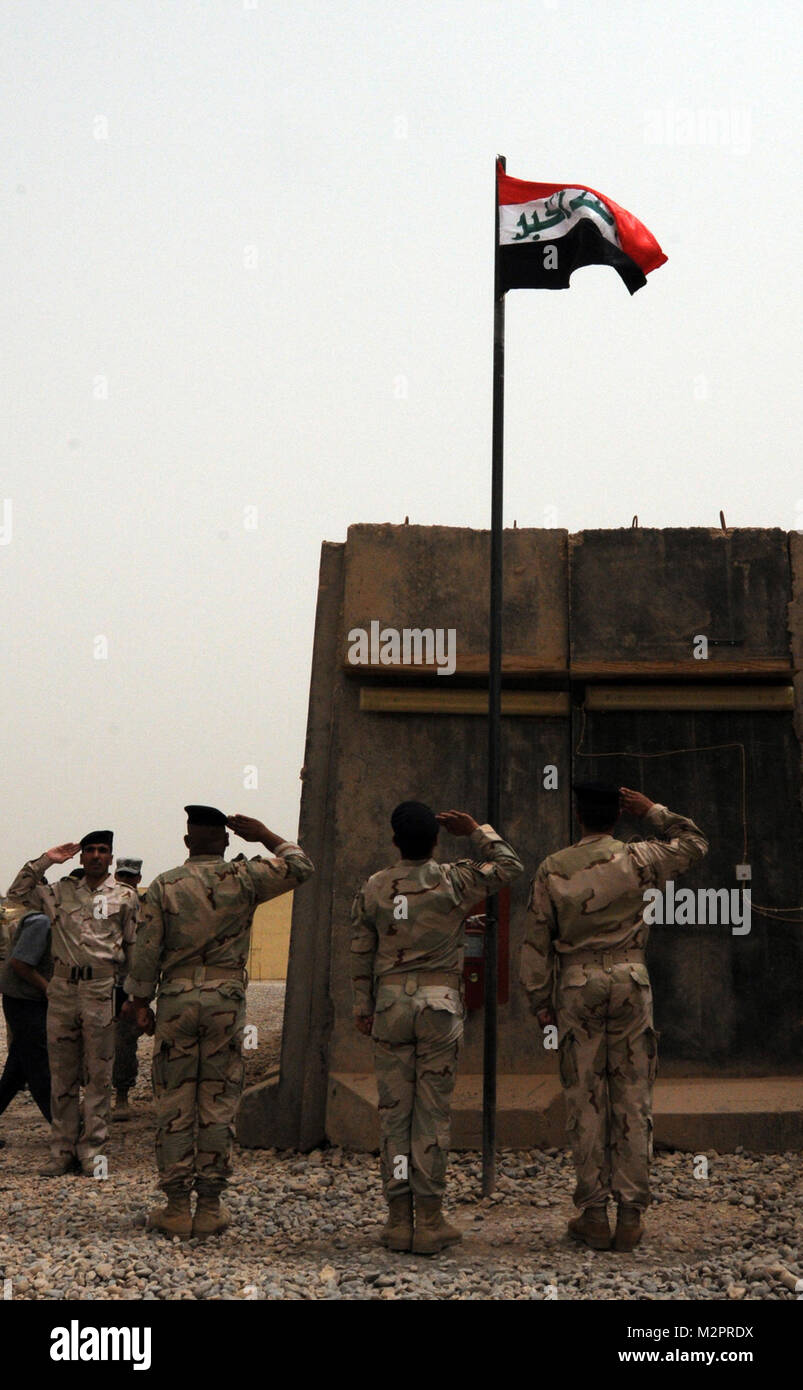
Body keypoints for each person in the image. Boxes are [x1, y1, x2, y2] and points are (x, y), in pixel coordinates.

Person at [520, 782, 708, 1252]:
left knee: (585, 1099)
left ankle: (593, 1215)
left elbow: (537, 942)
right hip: (631, 979)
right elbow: (695, 843)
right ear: (617, 817)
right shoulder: (641, 857)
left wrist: (540, 1001)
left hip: (577, 985)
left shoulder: (553, 868)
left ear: (578, 814)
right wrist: (654, 810)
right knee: (633, 1096)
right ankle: (630, 1217)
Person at [125, 805, 314, 1240]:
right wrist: (264, 833)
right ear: (227, 842)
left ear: (188, 841)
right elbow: (302, 865)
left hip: (176, 1000)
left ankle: (175, 1206)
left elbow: (147, 950)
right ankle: (209, 1206)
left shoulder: (165, 884)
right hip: (225, 1001)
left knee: (174, 1102)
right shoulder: (245, 878)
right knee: (218, 1100)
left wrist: (139, 1002)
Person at [351, 802, 524, 1255]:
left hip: (390, 1006)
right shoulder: (453, 879)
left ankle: (396, 1220)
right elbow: (510, 866)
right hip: (439, 1007)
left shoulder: (374, 887)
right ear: (435, 841)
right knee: (431, 1114)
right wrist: (476, 830)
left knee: (394, 1114)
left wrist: (362, 1006)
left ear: (394, 840)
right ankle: (428, 1221)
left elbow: (361, 951)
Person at [6, 831, 140, 1176]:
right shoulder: (58, 893)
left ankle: (93, 1150)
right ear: (82, 857)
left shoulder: (125, 897)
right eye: (91, 850)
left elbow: (133, 948)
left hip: (101, 988)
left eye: (103, 851)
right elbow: (17, 892)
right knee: (61, 1075)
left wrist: (134, 997)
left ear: (111, 858)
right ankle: (62, 1149)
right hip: (63, 990)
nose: (96, 855)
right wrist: (47, 858)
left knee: (98, 1075)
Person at [0, 910, 54, 1143]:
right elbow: (20, 963)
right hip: (24, 1000)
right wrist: (48, 989)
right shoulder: (41, 921)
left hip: (29, 1000)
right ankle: (65, 1131)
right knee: (38, 1066)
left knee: (18, 1068)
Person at [111, 856, 146, 1122]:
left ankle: (121, 1094)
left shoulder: (140, 905)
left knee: (124, 1041)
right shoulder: (103, 901)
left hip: (126, 983)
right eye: (121, 875)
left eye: (129, 876)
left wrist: (134, 995)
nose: (125, 881)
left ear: (138, 879)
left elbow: (138, 950)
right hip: (103, 982)